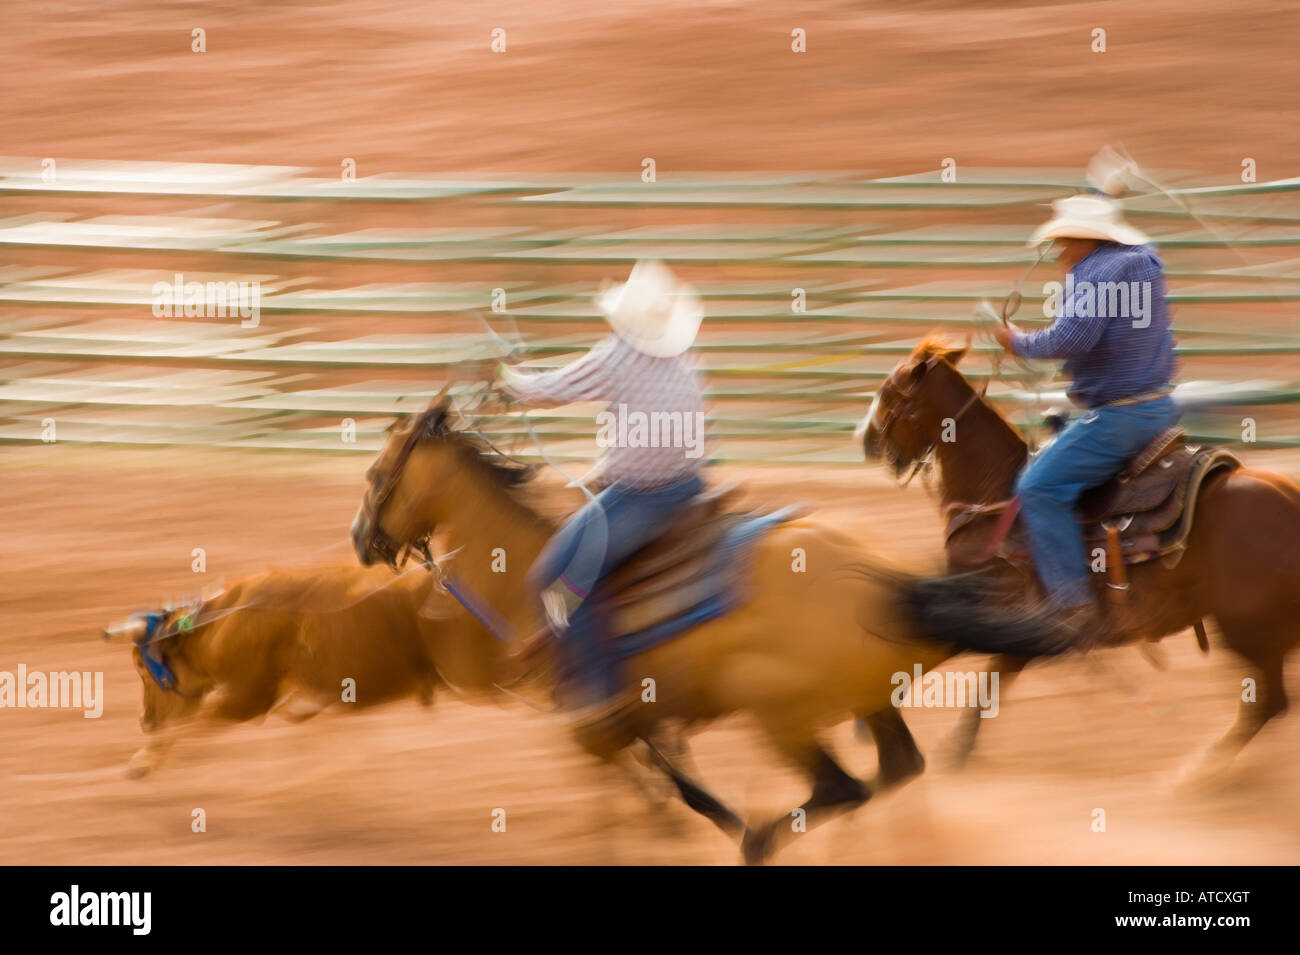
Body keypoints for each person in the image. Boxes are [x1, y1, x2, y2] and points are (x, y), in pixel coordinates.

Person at [499, 260, 708, 716]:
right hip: (690, 485)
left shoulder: (617, 356)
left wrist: (510, 381)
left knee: (555, 581)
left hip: (642, 495)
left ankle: (602, 695)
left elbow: (556, 389)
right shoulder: (686, 358)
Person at [993, 193, 1180, 639]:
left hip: (1120, 419)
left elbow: (1070, 338)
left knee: (1037, 486)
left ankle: (1070, 604)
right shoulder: (1142, 264)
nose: (1059, 252)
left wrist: (1017, 342)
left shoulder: (1095, 274)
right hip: (1158, 407)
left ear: (1085, 240)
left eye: (1064, 241)